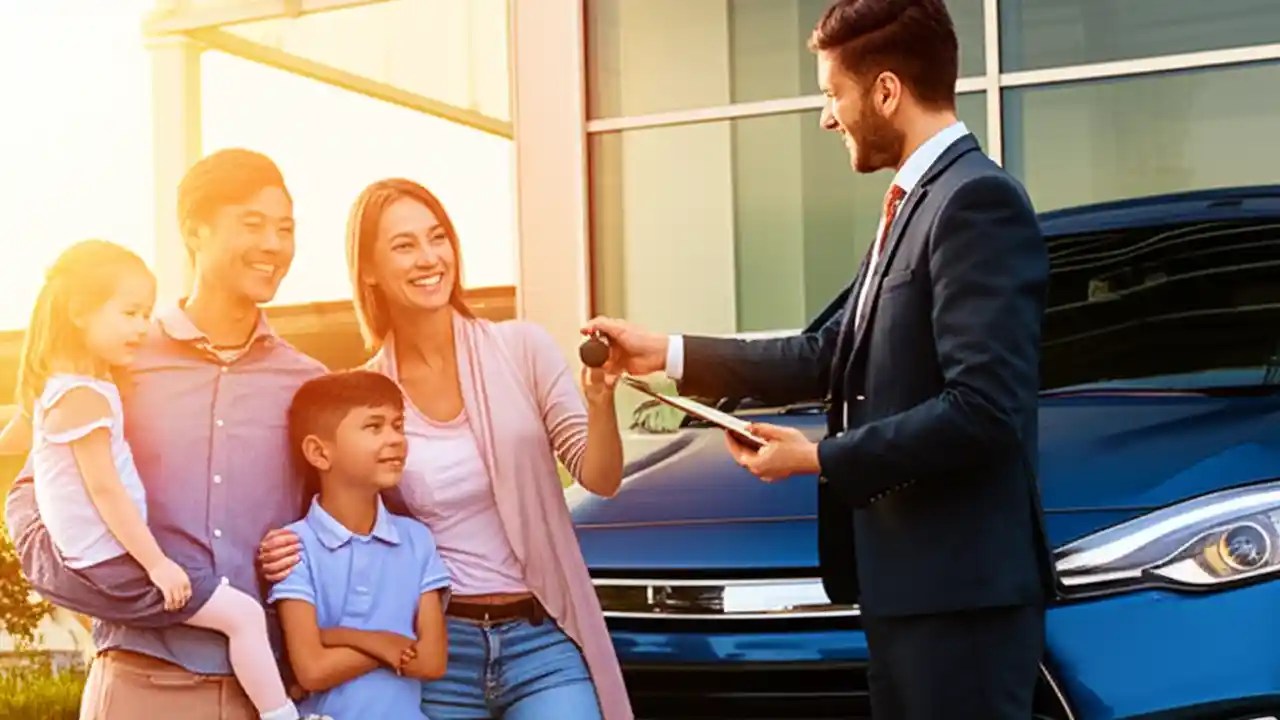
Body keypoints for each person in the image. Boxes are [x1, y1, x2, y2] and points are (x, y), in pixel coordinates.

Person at [583, 1, 1054, 718]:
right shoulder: (914, 203)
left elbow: (985, 409)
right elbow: (831, 353)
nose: (828, 118)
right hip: (909, 594)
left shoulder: (974, 202)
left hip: (959, 602)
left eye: (834, 93)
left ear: (887, 91)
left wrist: (820, 458)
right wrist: (669, 353)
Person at [258, 178, 633, 720]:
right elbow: (339, 508)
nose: (429, 258)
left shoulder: (521, 349)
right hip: (436, 649)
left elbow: (600, 478)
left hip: (542, 636)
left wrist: (599, 404)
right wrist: (283, 546)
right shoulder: (368, 395)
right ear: (368, 270)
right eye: (403, 245)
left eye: (438, 238)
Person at [4, 148, 328, 720]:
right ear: (193, 231)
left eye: (286, 228)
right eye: (252, 224)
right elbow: (34, 499)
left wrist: (308, 543)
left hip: (265, 693)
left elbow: (347, 520)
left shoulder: (308, 383)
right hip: (139, 683)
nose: (275, 244)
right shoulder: (116, 363)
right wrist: (114, 592)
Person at [270, 370, 450, 719]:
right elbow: (312, 670)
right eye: (374, 426)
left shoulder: (416, 539)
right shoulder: (293, 548)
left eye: (398, 425)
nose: (396, 438)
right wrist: (382, 644)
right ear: (319, 453)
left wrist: (336, 635)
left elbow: (431, 661)